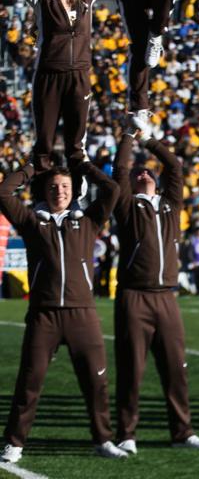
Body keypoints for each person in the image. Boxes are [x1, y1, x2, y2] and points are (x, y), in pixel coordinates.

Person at [0, 161, 127, 463]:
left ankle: (104, 439)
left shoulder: (89, 221)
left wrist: (83, 165)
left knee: (96, 382)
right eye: (54, 186)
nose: (60, 192)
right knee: (30, 382)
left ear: (74, 191)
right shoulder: (32, 222)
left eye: (66, 187)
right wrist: (31, 168)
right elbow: (3, 192)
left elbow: (112, 188)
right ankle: (14, 443)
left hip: (82, 314)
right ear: (45, 189)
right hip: (44, 316)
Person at [110, 130, 199, 453]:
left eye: (148, 170)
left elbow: (175, 166)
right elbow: (118, 168)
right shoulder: (126, 205)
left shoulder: (170, 205)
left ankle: (182, 433)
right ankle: (127, 434)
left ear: (156, 179)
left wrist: (150, 141)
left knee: (175, 368)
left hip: (167, 296)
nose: (143, 172)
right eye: (137, 171)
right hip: (134, 296)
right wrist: (129, 137)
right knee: (131, 369)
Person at [0, 0, 122, 171]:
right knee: (44, 142)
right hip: (49, 77)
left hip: (79, 77)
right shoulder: (43, 0)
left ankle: (76, 189)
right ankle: (41, 192)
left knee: (76, 143)